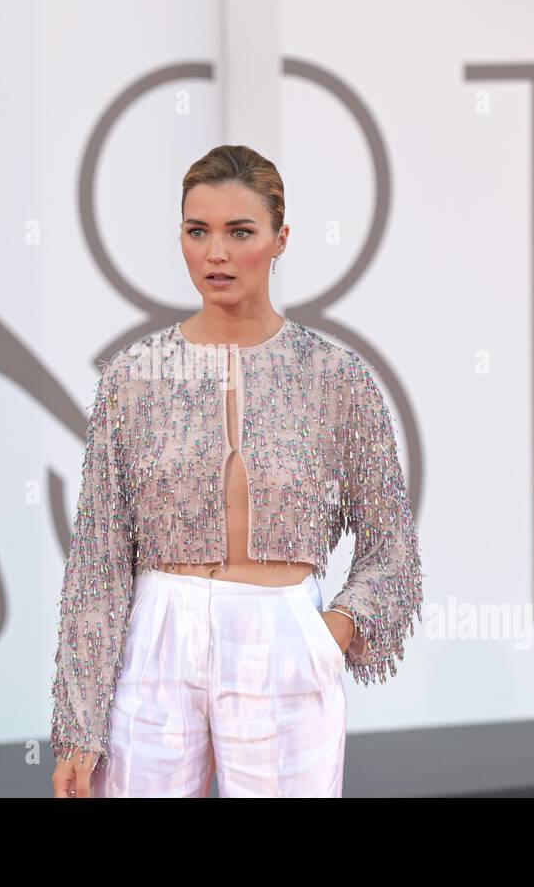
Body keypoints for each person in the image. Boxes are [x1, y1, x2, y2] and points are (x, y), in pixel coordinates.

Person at [50, 144, 423, 797]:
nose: (215, 254)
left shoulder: (334, 377)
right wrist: (78, 725)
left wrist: (327, 635)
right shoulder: (135, 376)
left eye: (239, 232)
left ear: (280, 239)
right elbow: (98, 562)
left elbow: (391, 544)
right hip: (157, 634)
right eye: (198, 232)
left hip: (281, 634)